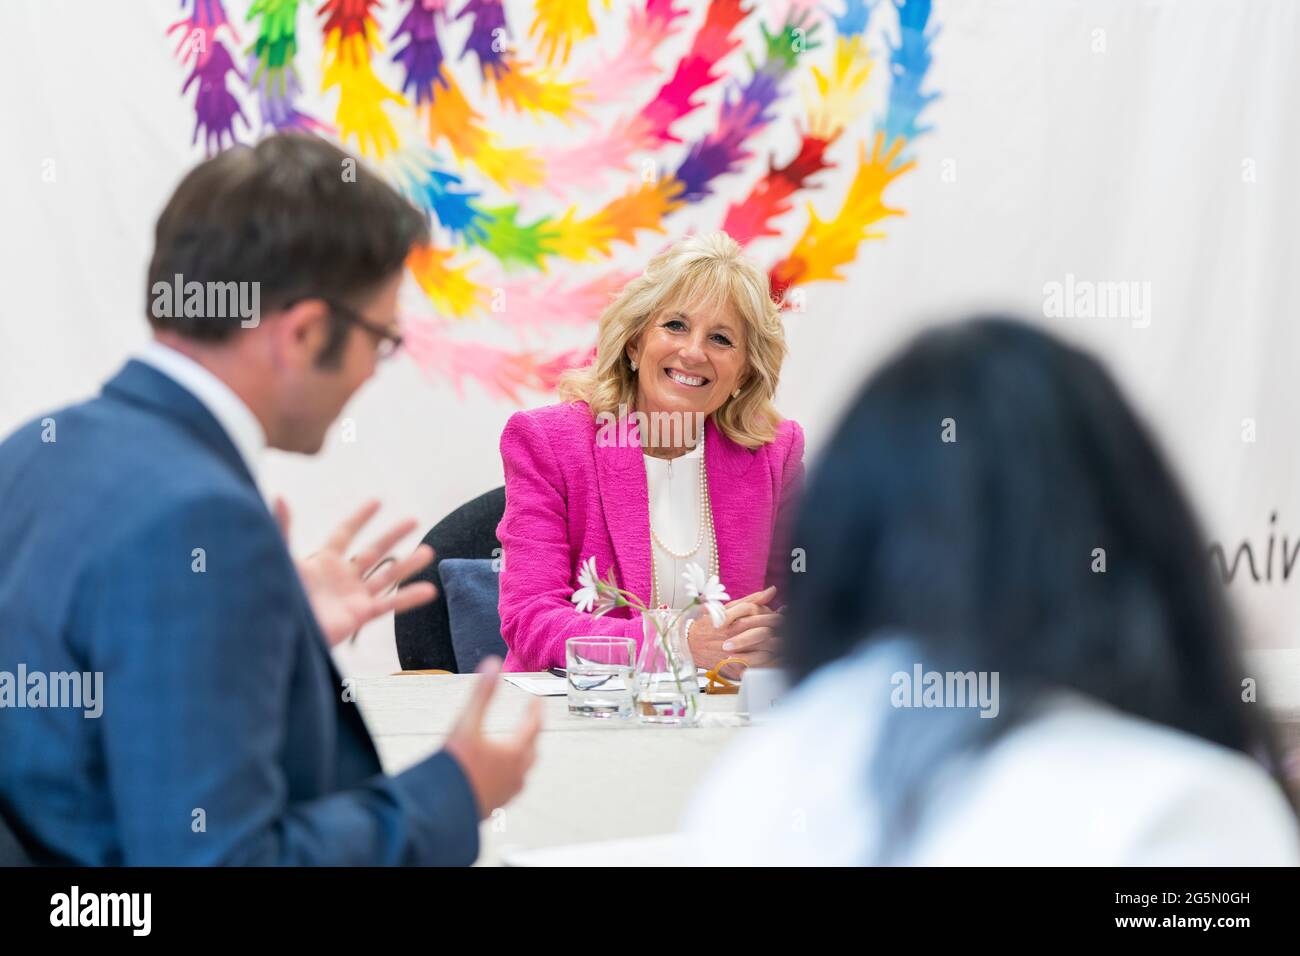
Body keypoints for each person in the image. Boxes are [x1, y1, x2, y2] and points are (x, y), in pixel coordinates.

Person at [0, 133, 540, 865]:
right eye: (381, 340)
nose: (373, 374)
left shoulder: (34, 449)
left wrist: (267, 639)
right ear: (307, 331)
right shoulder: (199, 516)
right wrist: (454, 792)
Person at [684, 317, 1300, 865]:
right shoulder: (1180, 807)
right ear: (1132, 520)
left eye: (720, 339)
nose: (694, 355)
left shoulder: (755, 785)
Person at [496, 232, 805, 673]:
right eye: (675, 325)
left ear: (744, 371)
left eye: (721, 339)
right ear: (635, 344)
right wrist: (675, 645)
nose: (693, 352)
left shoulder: (775, 453)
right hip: (583, 718)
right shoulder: (549, 442)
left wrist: (781, 638)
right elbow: (530, 619)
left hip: (724, 720)